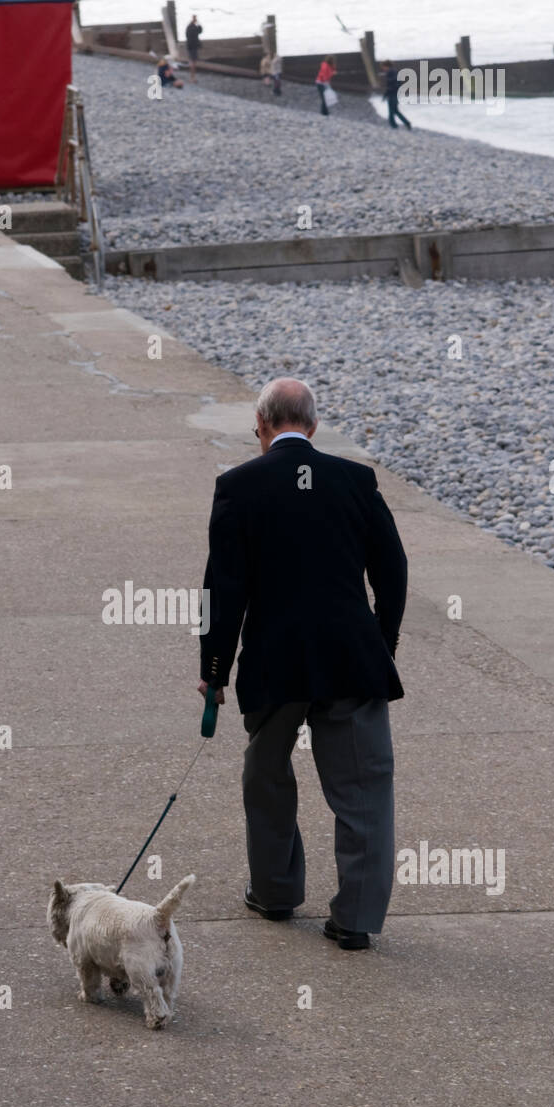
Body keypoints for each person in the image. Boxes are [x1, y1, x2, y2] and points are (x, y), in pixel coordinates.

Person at [198, 378, 407, 949]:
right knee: (364, 787)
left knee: (266, 777)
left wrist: (214, 669)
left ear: (262, 427)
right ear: (312, 426)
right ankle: (356, 919)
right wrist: (382, 643)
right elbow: (393, 572)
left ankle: (274, 892)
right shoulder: (356, 480)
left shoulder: (238, 486)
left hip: (275, 661)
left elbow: (223, 588)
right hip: (350, 658)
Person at [381, 59, 412, 129]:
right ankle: (395, 124)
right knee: (394, 110)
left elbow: (390, 85)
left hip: (392, 94)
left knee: (393, 110)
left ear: (386, 66)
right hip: (395, 93)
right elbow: (398, 83)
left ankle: (396, 124)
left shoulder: (390, 72)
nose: (383, 68)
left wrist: (386, 94)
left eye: (383, 67)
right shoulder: (395, 71)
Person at [185, 13, 202, 81]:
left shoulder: (189, 27)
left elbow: (199, 31)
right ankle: (192, 77)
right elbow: (200, 30)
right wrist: (198, 23)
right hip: (193, 47)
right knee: (193, 62)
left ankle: (192, 77)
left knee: (192, 61)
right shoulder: (193, 27)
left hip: (190, 46)